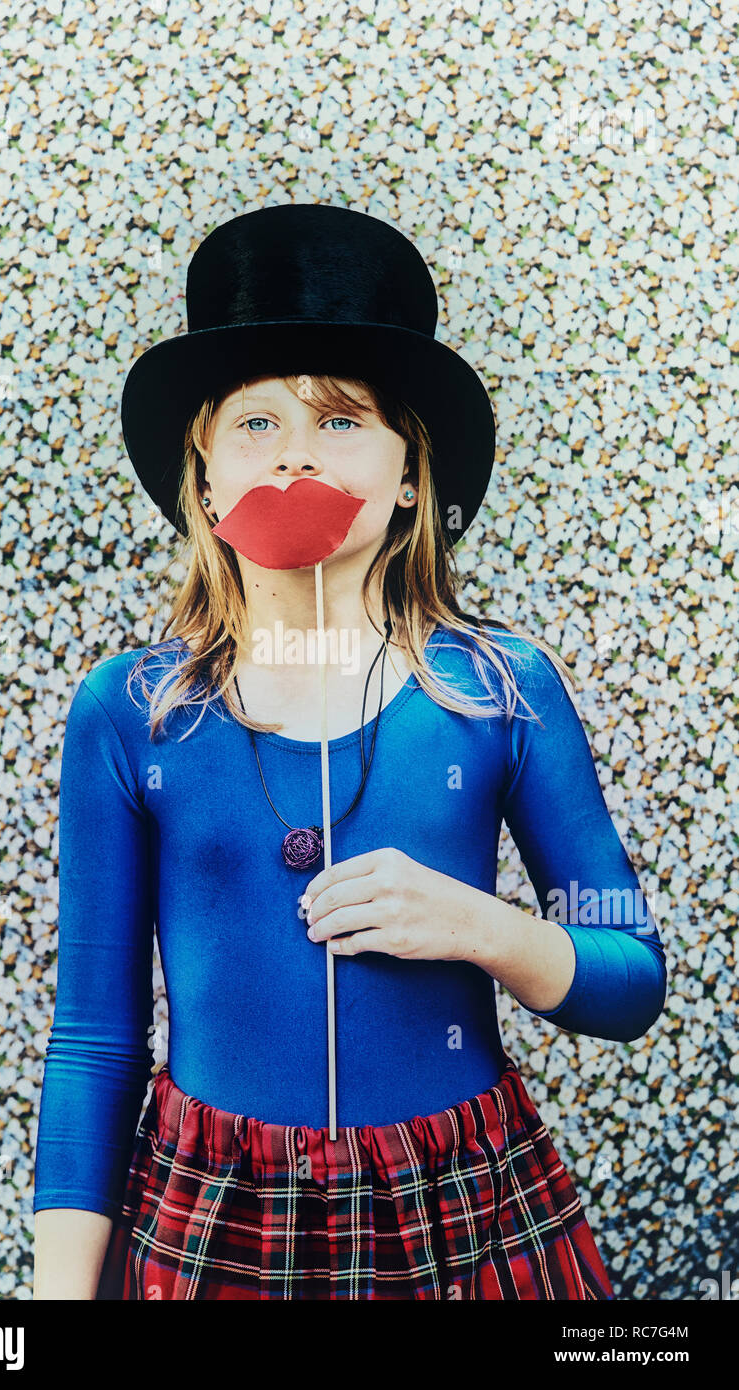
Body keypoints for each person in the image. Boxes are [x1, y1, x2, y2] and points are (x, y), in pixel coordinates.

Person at [32, 205, 667, 1300]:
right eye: (254, 424)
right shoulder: (126, 712)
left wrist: (481, 926)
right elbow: (93, 1039)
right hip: (211, 1203)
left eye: (339, 422)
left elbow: (628, 975)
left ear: (412, 471)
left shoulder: (503, 690)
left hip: (464, 1196)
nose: (292, 455)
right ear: (206, 479)